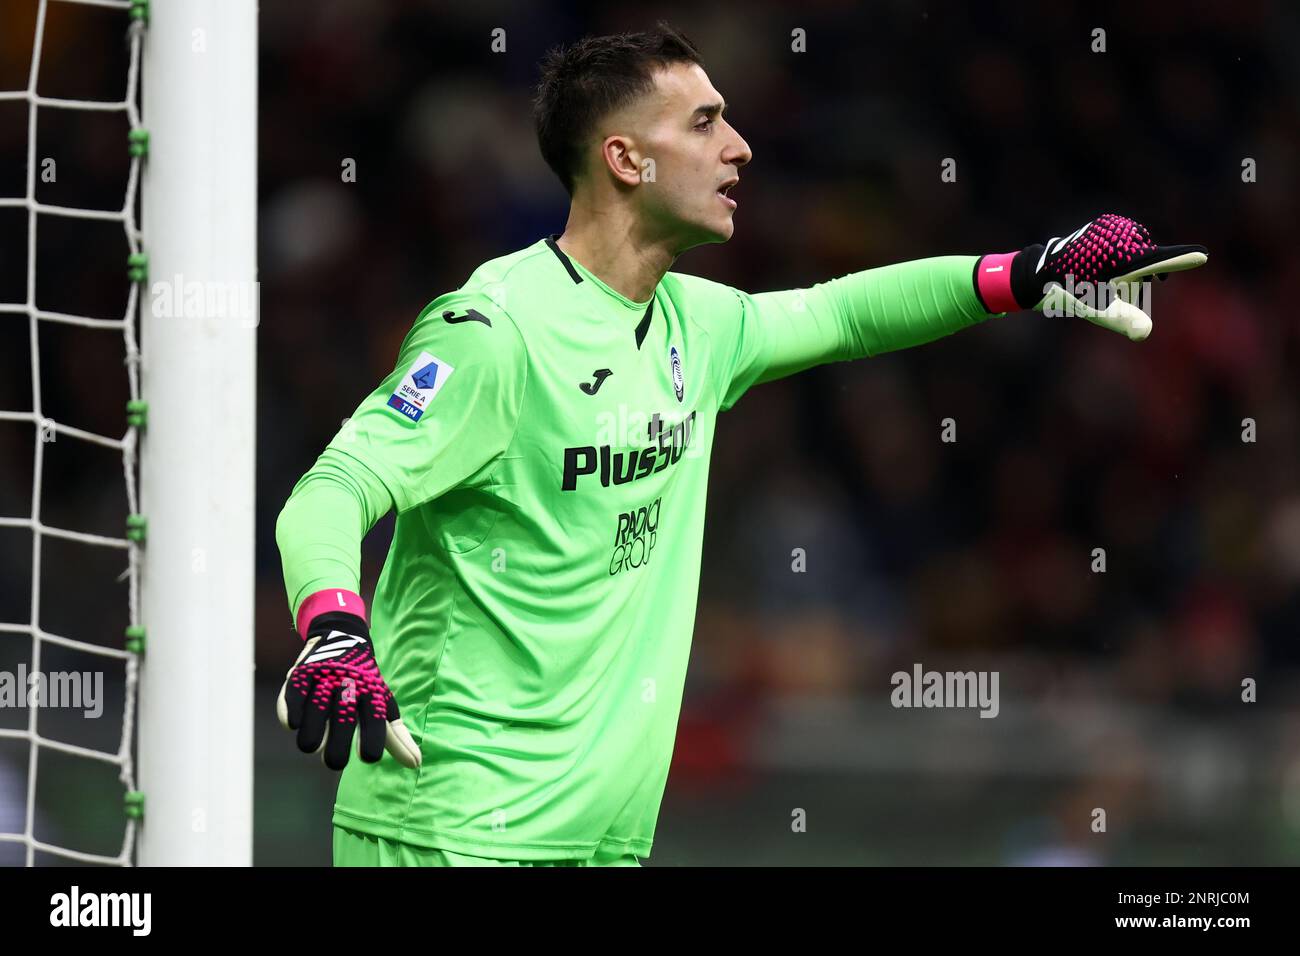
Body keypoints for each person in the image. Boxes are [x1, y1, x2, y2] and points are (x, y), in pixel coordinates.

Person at [274, 23, 1206, 867]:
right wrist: (334, 630)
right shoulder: (495, 332)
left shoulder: (698, 325)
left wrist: (1029, 273)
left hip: (596, 839)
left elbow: (844, 312)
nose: (740, 145)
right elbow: (331, 490)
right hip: (451, 828)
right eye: (705, 122)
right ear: (625, 159)